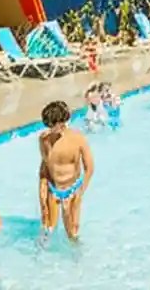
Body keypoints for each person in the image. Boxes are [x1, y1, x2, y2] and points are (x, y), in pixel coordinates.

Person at [39, 100, 94, 241]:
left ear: (62, 123)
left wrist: (79, 193)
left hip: (72, 190)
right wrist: (42, 192)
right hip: (54, 190)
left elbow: (89, 168)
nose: (50, 129)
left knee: (73, 231)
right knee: (48, 230)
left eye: (53, 125)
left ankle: (77, 260)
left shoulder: (78, 139)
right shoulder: (44, 139)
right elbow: (44, 166)